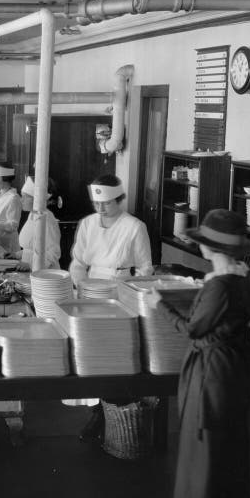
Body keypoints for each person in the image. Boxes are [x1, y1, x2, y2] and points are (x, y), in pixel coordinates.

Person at [145, 209, 250, 498]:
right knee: (229, 445)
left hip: (212, 373)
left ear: (211, 247)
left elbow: (193, 329)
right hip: (235, 370)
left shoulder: (219, 285)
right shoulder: (243, 280)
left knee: (208, 449)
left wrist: (159, 305)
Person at [67, 173, 154, 439]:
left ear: (119, 199)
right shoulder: (87, 224)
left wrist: (131, 295)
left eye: (107, 203)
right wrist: (79, 288)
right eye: (97, 203)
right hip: (89, 292)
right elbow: (79, 262)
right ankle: (95, 411)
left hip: (120, 294)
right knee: (91, 355)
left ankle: (112, 412)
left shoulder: (135, 227)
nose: (101, 208)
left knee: (115, 357)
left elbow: (145, 269)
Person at [15, 176, 62, 270]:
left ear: (36, 199)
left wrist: (31, 265)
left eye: (25, 197)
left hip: (45, 275)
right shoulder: (32, 214)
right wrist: (17, 254)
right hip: (31, 271)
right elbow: (34, 247)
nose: (21, 200)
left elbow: (54, 252)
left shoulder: (47, 219)